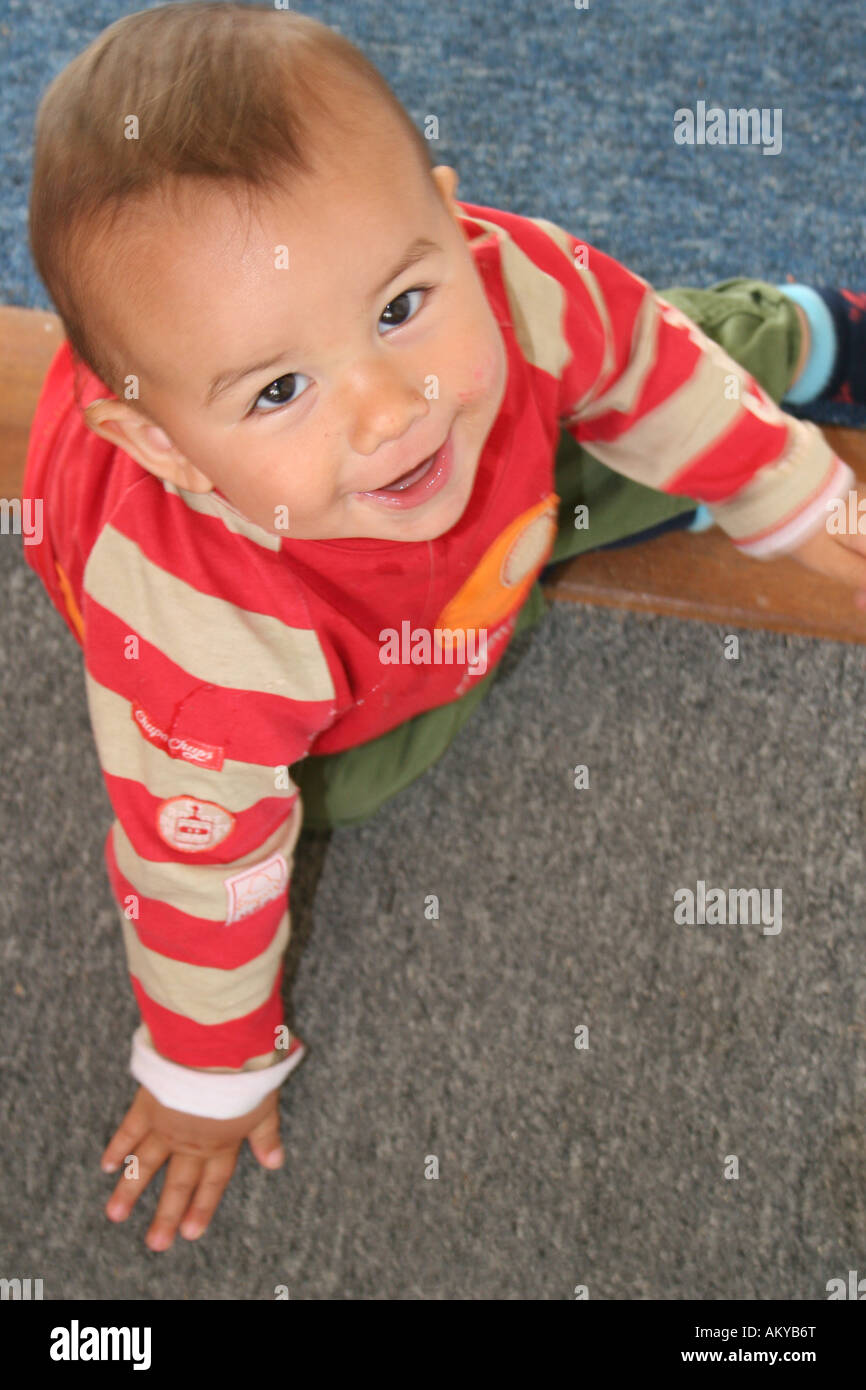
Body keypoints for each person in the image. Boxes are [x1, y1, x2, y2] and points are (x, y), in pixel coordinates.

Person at [15, 2, 866, 1253]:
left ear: (453, 221)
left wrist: (787, 494)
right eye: (281, 389)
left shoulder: (507, 281)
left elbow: (637, 354)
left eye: (402, 305)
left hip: (494, 498)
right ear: (160, 445)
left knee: (650, 361)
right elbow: (197, 880)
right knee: (338, 795)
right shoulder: (200, 661)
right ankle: (595, 508)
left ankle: (803, 328)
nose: (390, 407)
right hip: (328, 637)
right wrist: (208, 1073)